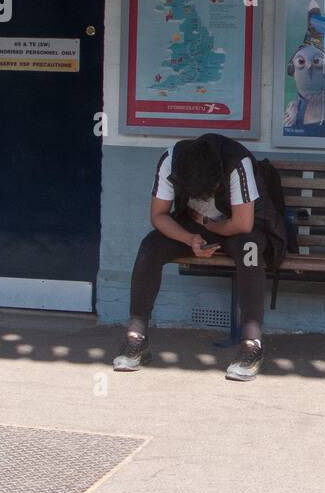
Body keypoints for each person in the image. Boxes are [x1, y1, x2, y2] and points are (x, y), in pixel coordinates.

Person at [114, 133, 286, 381]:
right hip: (194, 225)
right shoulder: (170, 160)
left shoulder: (237, 163)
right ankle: (137, 335)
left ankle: (252, 342)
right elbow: (159, 215)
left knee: (251, 250)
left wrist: (209, 227)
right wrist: (190, 239)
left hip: (239, 227)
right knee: (150, 246)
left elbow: (243, 223)